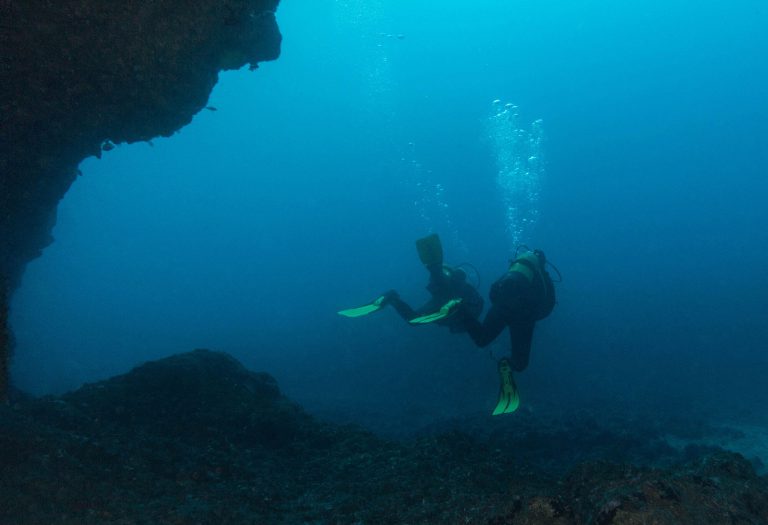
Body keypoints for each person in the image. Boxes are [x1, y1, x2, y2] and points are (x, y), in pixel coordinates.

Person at [338, 233, 483, 332]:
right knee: (414, 319)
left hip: (442, 297)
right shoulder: (467, 292)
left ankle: (392, 298)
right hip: (449, 298)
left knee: (414, 318)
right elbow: (467, 299)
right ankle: (395, 299)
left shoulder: (460, 287)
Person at [462, 248, 556, 372]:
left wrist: (500, 308)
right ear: (542, 263)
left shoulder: (513, 271)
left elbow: (493, 290)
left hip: (502, 305)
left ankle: (459, 310)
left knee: (481, 339)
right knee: (520, 363)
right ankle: (507, 364)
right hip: (523, 315)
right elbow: (549, 303)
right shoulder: (541, 274)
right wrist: (532, 316)